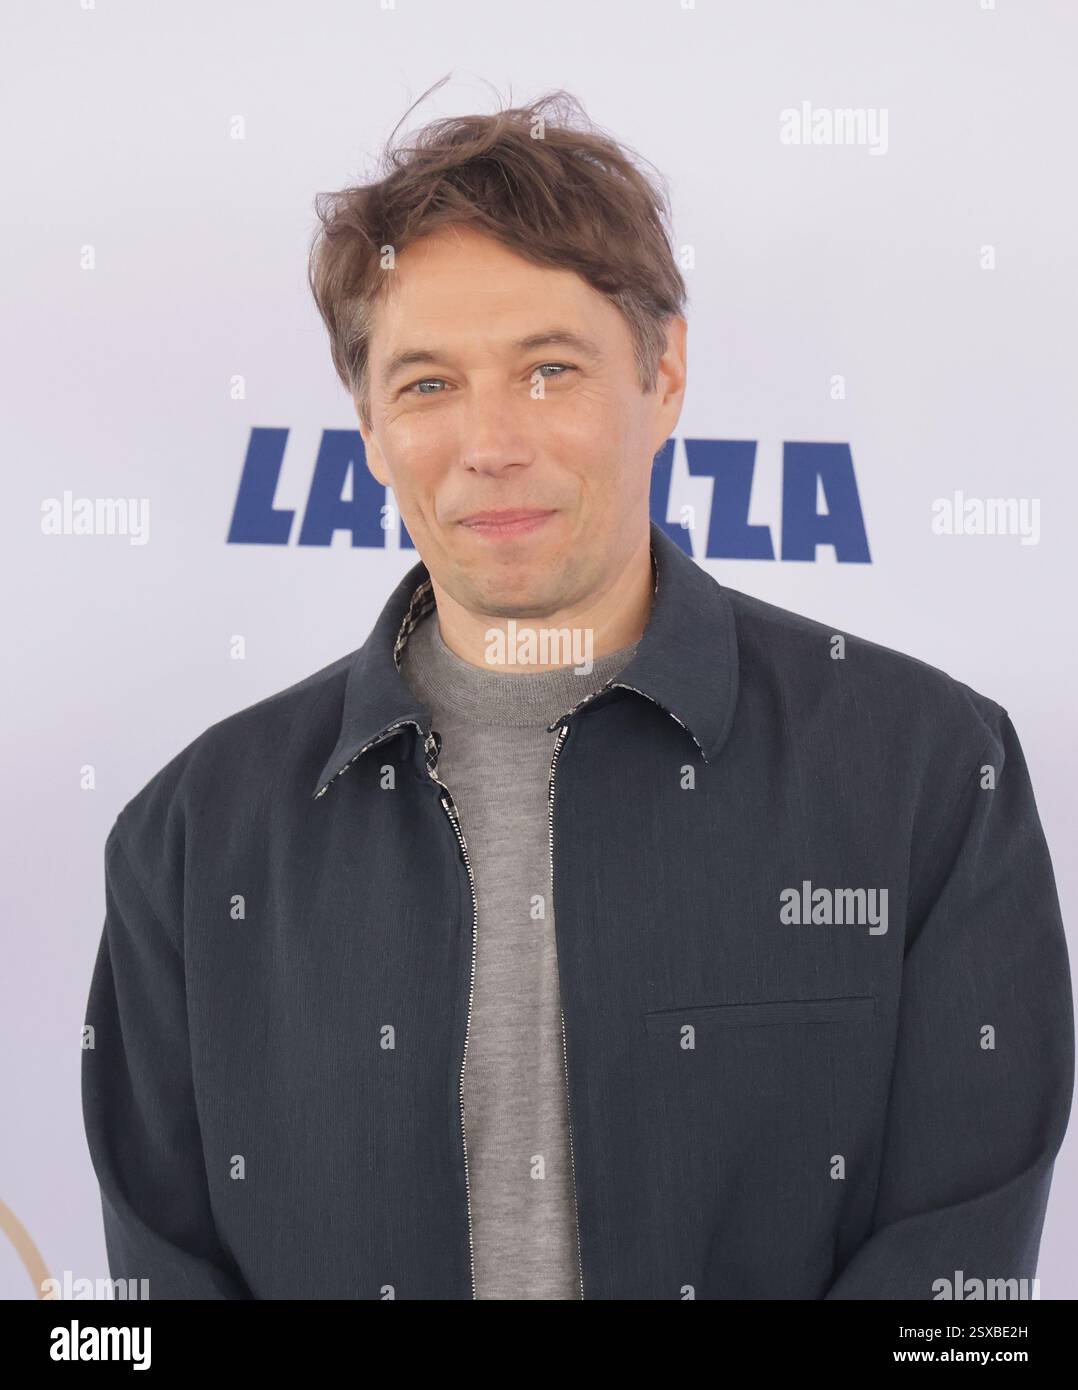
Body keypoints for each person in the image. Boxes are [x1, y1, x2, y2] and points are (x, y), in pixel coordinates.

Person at [82, 90, 1073, 1300]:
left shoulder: (928, 772)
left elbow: (955, 1294)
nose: (491, 443)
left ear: (665, 375)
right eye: (428, 384)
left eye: (549, 370)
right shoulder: (190, 838)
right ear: (369, 427)